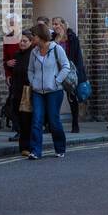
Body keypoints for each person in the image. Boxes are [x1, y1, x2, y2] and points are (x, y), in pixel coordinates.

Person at [26, 23, 71, 159]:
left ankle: (60, 148)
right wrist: (33, 82)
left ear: (39, 36)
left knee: (53, 120)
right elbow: (30, 70)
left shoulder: (56, 49)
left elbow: (66, 67)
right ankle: (35, 151)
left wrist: (56, 80)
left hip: (54, 91)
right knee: (36, 120)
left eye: (33, 36)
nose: (31, 38)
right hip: (37, 91)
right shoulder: (34, 52)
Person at [51, 17, 86, 132]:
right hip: (55, 71)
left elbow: (78, 56)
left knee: (72, 98)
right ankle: (51, 124)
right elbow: (50, 51)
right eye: (53, 24)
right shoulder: (52, 38)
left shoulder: (72, 38)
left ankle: (75, 123)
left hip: (70, 71)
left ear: (63, 25)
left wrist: (80, 75)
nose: (55, 26)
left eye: (57, 24)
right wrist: (58, 39)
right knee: (54, 97)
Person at [5, 31, 33, 152]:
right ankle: (23, 147)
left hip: (28, 92)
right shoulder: (17, 54)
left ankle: (27, 147)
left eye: (25, 41)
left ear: (31, 42)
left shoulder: (33, 55)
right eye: (21, 41)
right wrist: (7, 65)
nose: (22, 43)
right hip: (16, 91)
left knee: (26, 120)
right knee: (19, 120)